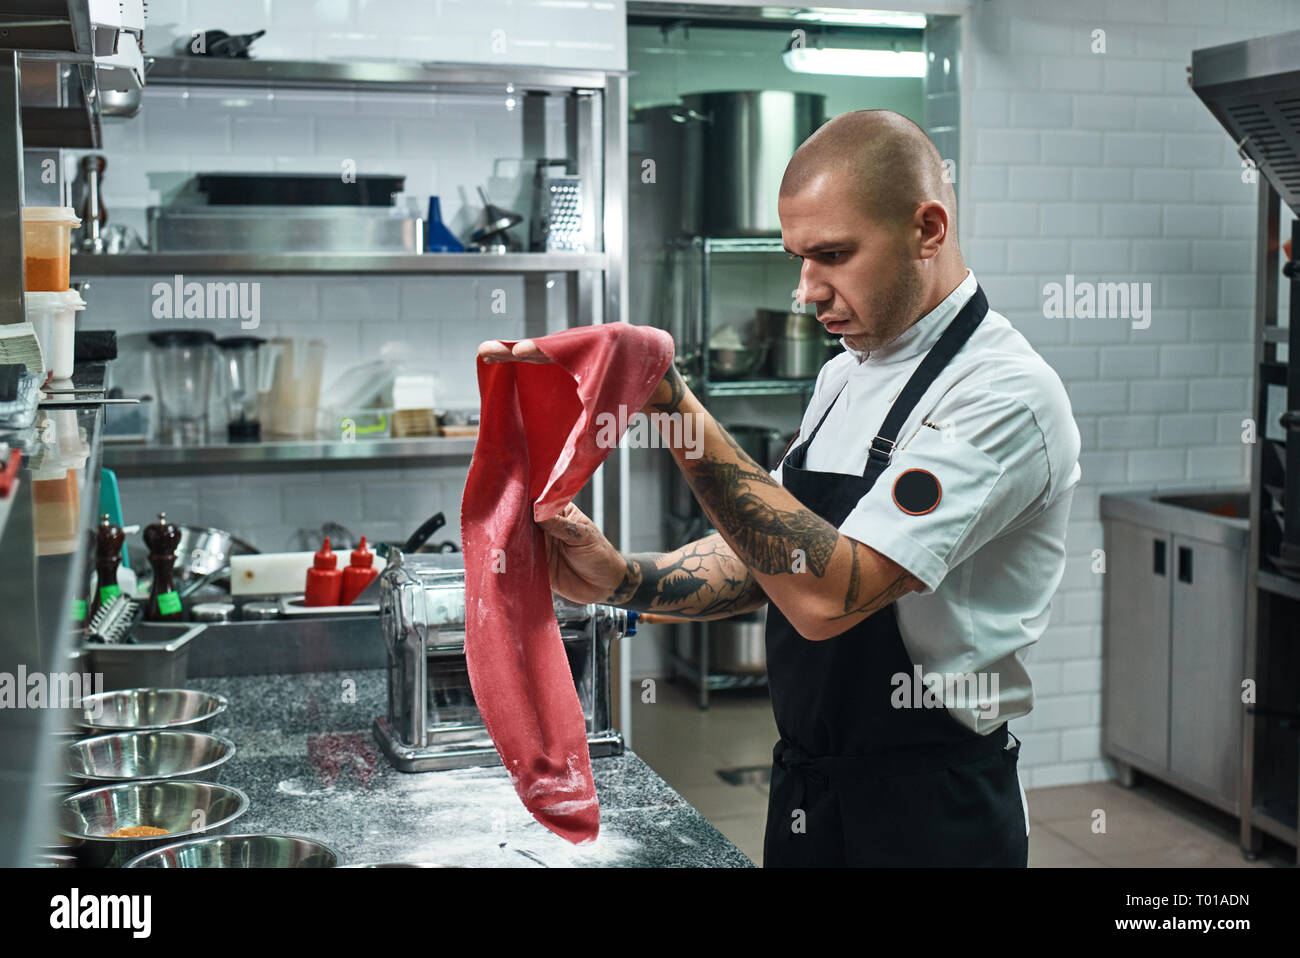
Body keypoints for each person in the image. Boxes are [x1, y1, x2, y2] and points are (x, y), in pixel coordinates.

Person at [479, 109, 1081, 867]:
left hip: (933, 807)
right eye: (798, 257)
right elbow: (776, 560)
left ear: (929, 228)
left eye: (832, 255)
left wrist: (672, 402)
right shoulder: (841, 374)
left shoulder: (1002, 396)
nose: (806, 291)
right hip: (810, 787)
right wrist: (626, 578)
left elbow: (830, 593)